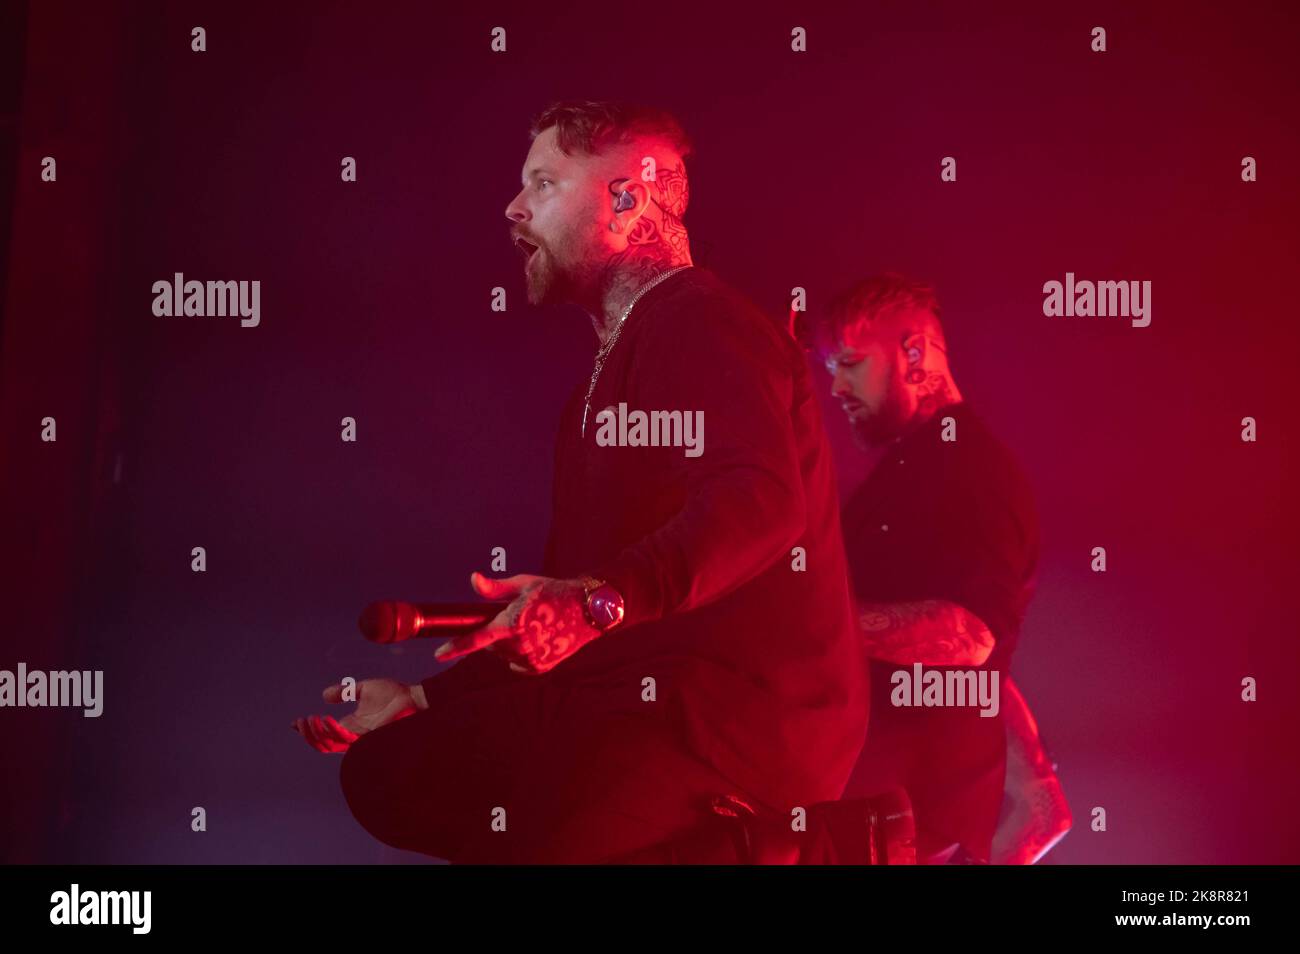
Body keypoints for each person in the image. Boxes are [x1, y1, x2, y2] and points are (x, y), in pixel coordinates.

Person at [292, 100, 869, 864]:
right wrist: (425, 698)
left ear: (626, 200)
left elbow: (760, 505)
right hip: (628, 705)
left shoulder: (701, 322)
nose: (514, 207)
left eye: (544, 183)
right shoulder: (591, 395)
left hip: (729, 724)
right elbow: (570, 611)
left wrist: (600, 604)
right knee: (388, 772)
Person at [819, 272, 1062, 863]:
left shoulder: (973, 471)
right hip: (872, 798)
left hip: (898, 813)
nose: (837, 387)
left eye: (850, 362)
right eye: (830, 370)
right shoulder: (911, 469)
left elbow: (973, 636)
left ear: (913, 353)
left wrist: (812, 623)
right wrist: (1036, 788)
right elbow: (991, 658)